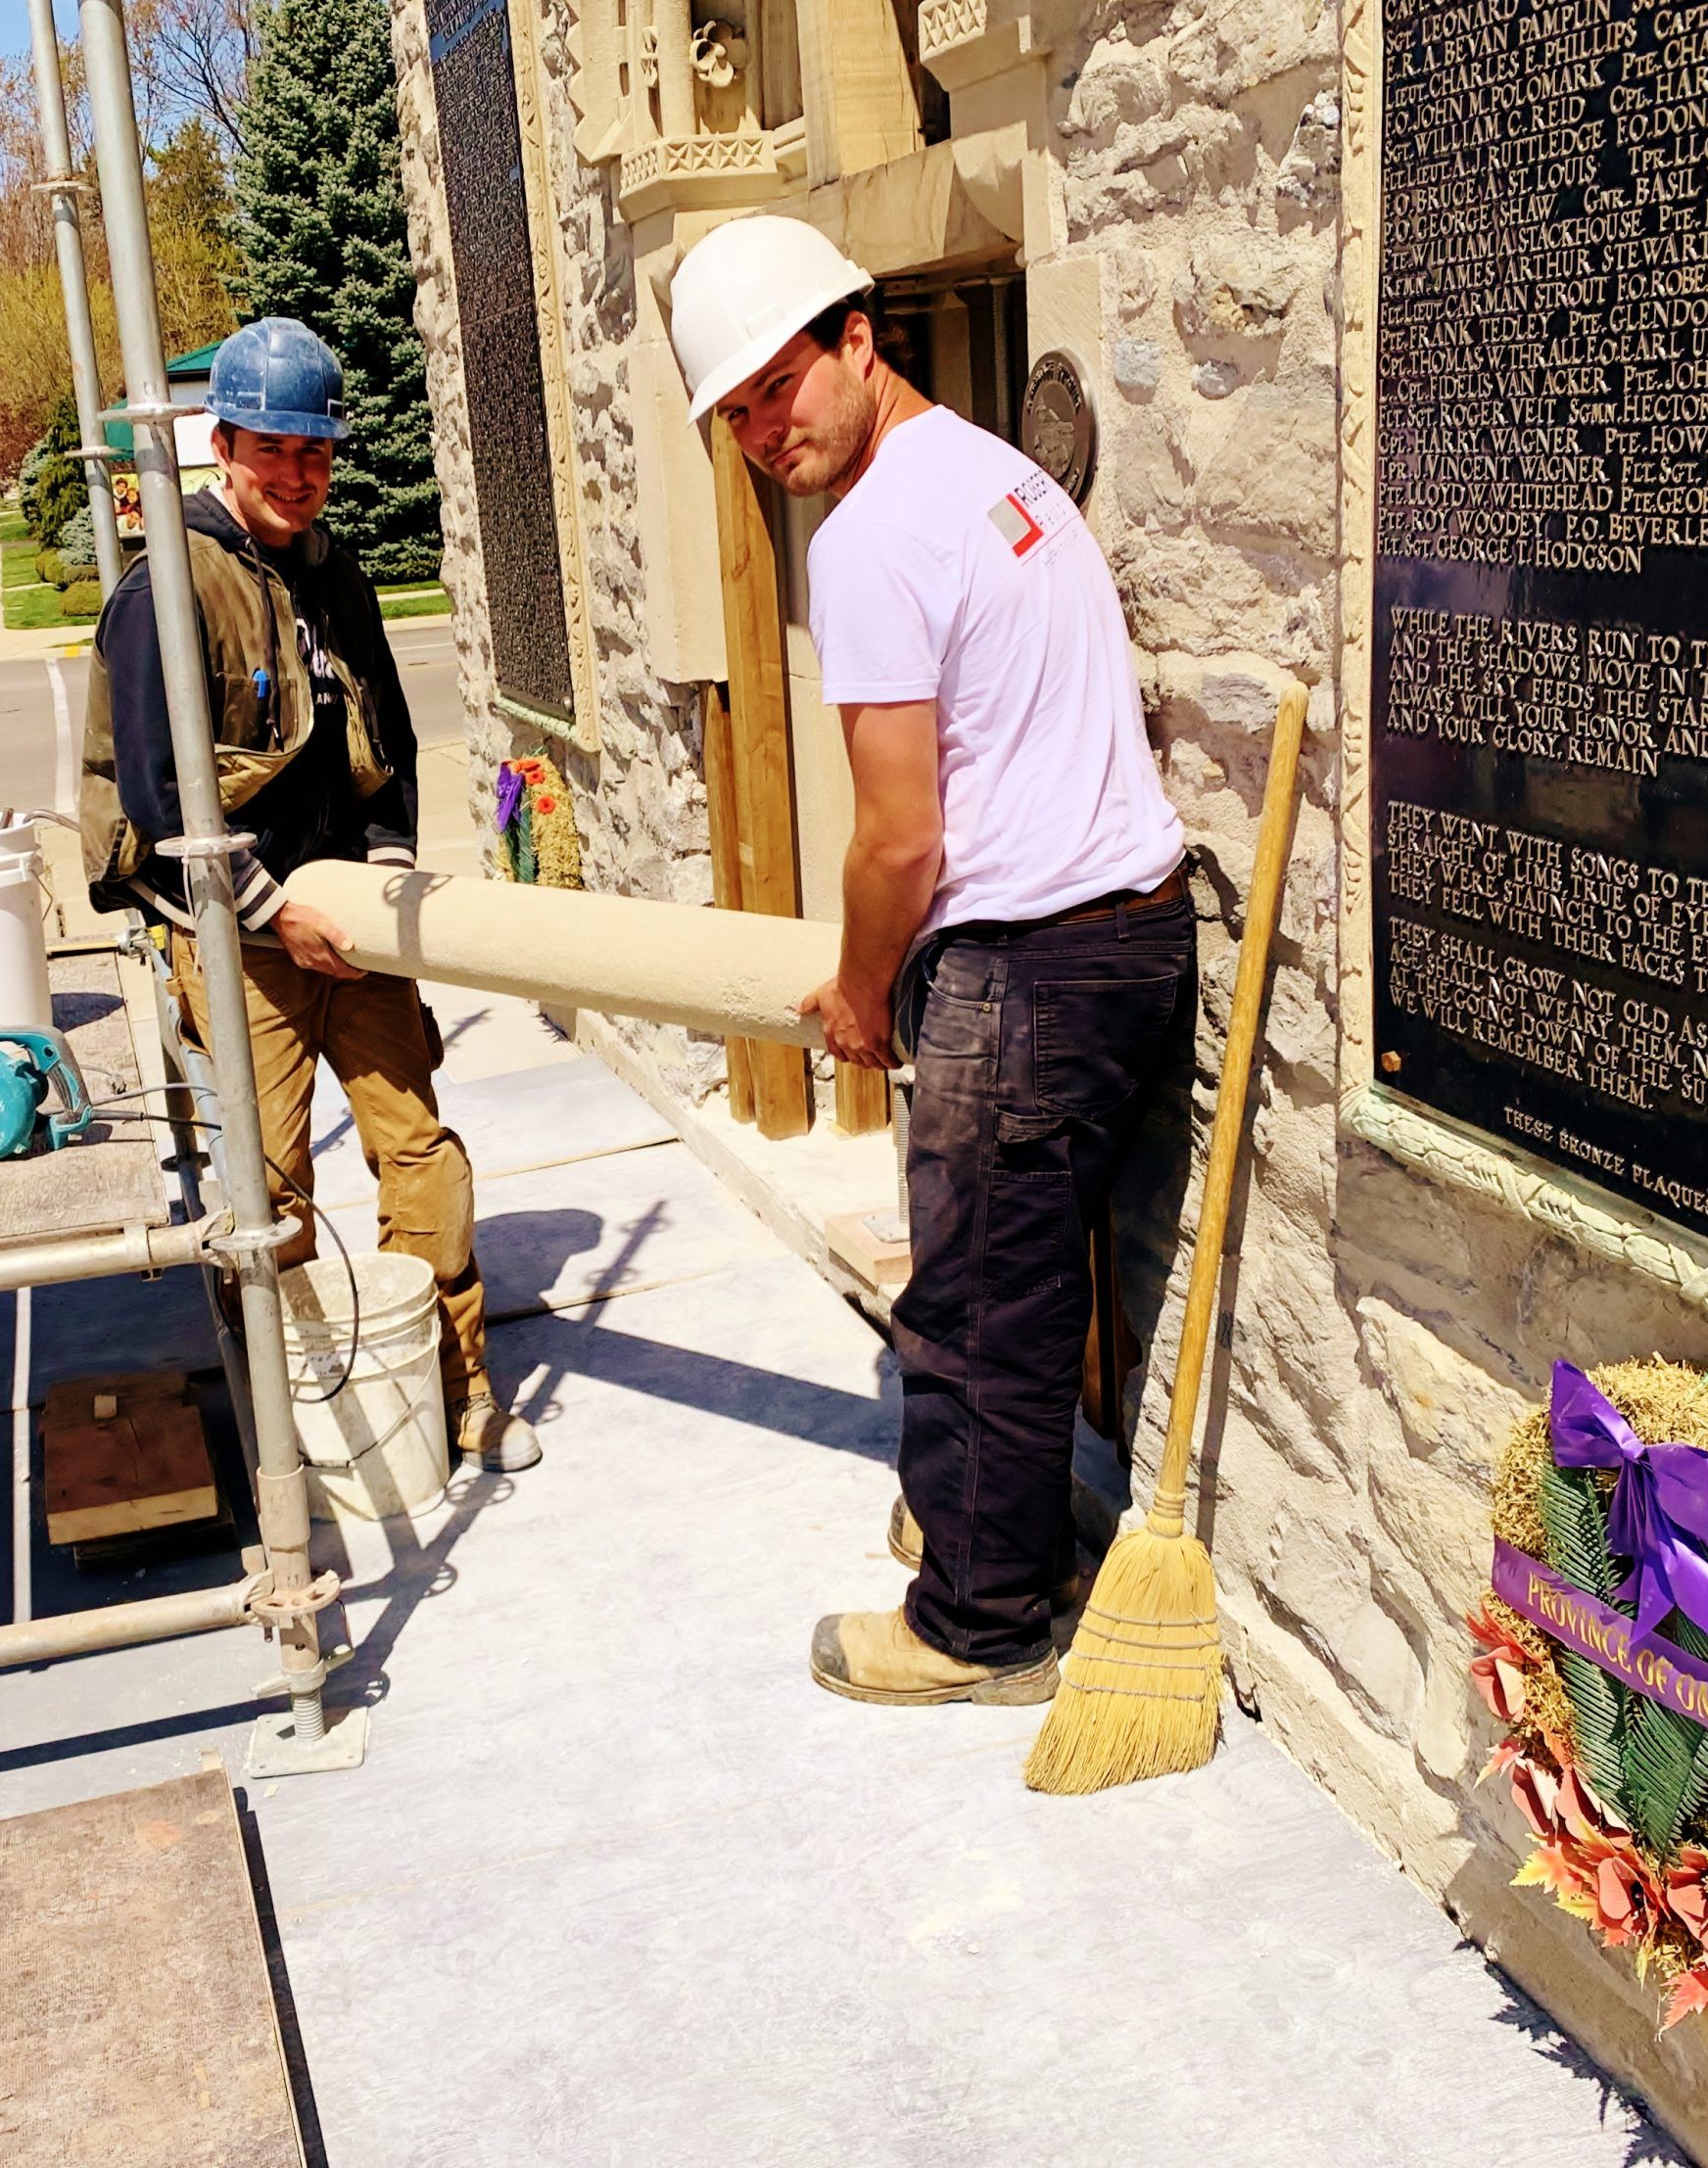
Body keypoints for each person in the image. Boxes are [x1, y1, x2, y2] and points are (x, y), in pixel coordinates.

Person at [672, 219, 1192, 1705]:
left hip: (1027, 961)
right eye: (741, 412)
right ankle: (992, 1520)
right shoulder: (990, 467)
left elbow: (899, 836)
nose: (769, 430)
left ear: (856, 333)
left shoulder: (874, 537)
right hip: (1127, 934)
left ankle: (985, 1621)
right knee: (1016, 1285)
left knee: (973, 1305)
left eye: (782, 386)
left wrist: (852, 991)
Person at [79, 315, 539, 1473]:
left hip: (357, 934)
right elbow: (159, 789)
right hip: (245, 937)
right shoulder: (166, 591)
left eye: (315, 453)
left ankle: (457, 1382)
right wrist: (278, 910)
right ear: (222, 447)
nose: (296, 475)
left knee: (421, 1152)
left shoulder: (341, 582)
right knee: (270, 1184)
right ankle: (301, 1421)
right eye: (272, 451)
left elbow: (388, 743)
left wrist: (387, 880)